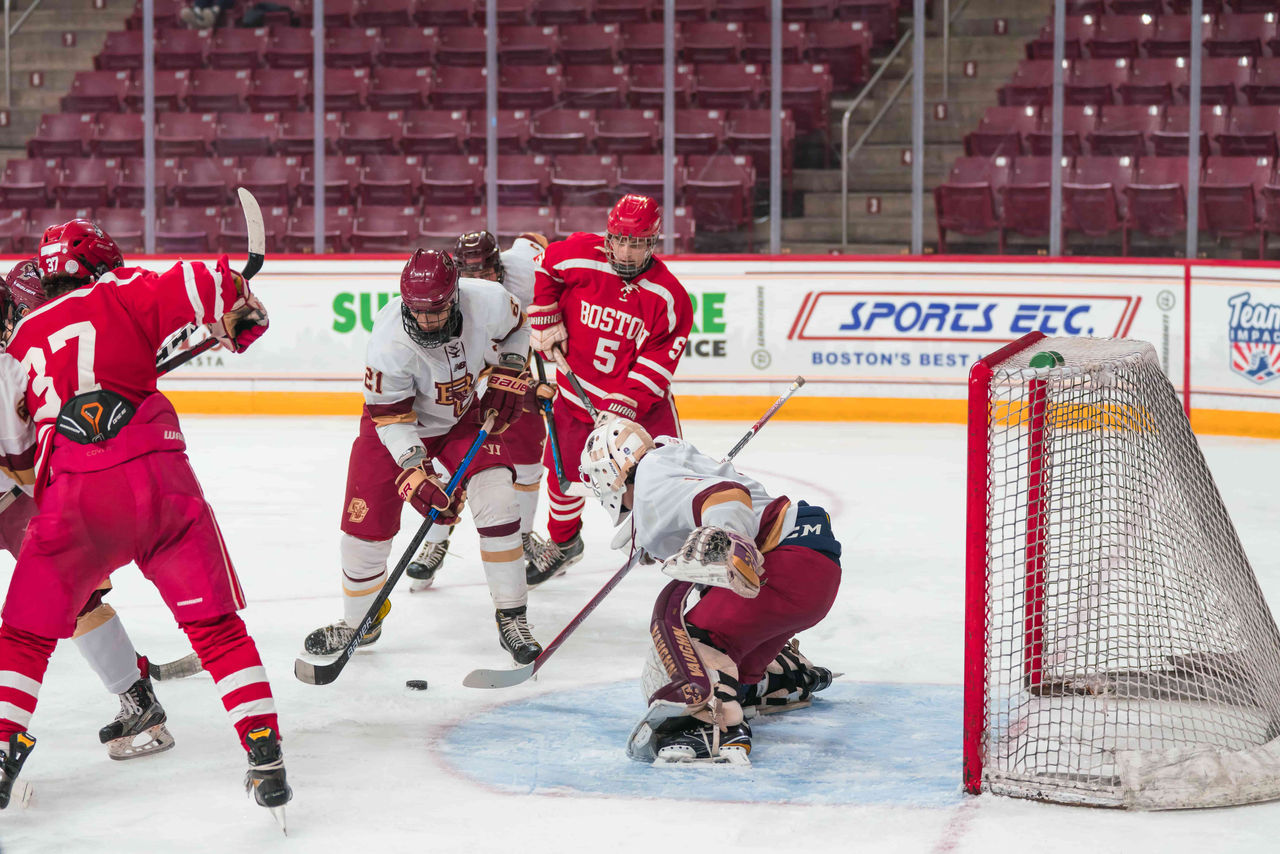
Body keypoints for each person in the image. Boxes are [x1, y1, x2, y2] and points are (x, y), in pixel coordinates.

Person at [0, 220, 287, 825]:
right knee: (216, 628)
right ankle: (265, 752)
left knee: (25, 635)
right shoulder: (122, 290)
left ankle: (4, 750)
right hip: (158, 479)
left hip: (73, 493)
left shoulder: (23, 339)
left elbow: (23, 453)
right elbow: (208, 280)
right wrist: (239, 314)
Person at [304, 249, 543, 665]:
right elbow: (390, 417)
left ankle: (512, 616)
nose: (426, 322)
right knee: (363, 533)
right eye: (417, 312)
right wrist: (416, 470)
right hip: (396, 425)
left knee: (499, 499)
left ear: (454, 296)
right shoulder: (388, 341)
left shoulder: (486, 299)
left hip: (463, 416)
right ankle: (361, 620)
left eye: (436, 311)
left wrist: (509, 370)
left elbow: (519, 329)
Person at [578, 416, 842, 764]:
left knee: (687, 643)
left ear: (611, 472)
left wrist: (727, 541)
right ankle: (768, 680)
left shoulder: (652, 481)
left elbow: (727, 497)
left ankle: (713, 725)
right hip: (811, 567)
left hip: (784, 567)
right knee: (725, 642)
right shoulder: (665, 465)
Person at [3, 258, 178, 762]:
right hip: (31, 487)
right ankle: (135, 691)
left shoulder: (22, 356)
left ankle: (135, 693)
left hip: (23, 492)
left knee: (71, 595)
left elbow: (26, 459)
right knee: (71, 593)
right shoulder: (26, 352)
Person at [525, 194, 693, 586]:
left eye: (638, 244)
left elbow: (658, 362)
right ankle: (565, 544)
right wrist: (547, 315)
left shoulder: (669, 297)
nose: (627, 252)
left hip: (639, 410)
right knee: (561, 477)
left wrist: (625, 405)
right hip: (574, 396)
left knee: (660, 484)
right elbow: (546, 267)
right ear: (609, 234)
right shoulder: (581, 253)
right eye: (621, 240)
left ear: (653, 242)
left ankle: (683, 547)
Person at [406, 230, 556, 592]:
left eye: (485, 272)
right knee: (452, 464)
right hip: (462, 379)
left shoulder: (522, 271)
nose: (478, 281)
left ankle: (521, 536)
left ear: (499, 267)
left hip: (510, 371)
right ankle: (437, 539)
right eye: (469, 274)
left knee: (527, 455)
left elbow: (533, 241)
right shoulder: (448, 295)